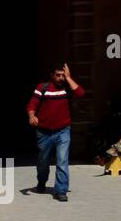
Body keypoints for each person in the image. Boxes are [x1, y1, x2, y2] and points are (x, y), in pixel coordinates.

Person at [27, 62, 85, 202]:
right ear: (52, 75)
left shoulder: (67, 88)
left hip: (63, 131)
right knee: (43, 162)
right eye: (58, 75)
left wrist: (69, 77)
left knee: (62, 161)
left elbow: (81, 93)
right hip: (44, 132)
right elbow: (32, 104)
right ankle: (41, 182)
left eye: (62, 75)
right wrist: (32, 116)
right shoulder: (43, 87)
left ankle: (61, 191)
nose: (60, 78)